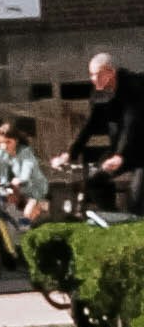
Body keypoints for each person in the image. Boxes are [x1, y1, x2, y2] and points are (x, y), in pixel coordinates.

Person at [62, 50, 144, 209]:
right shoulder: (100, 94)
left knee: (136, 200)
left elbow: (132, 122)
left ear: (111, 72)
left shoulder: (133, 86)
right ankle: (113, 220)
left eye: (98, 74)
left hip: (140, 149)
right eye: (91, 75)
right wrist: (71, 153)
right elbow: (91, 124)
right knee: (94, 181)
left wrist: (121, 154)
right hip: (123, 151)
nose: (94, 79)